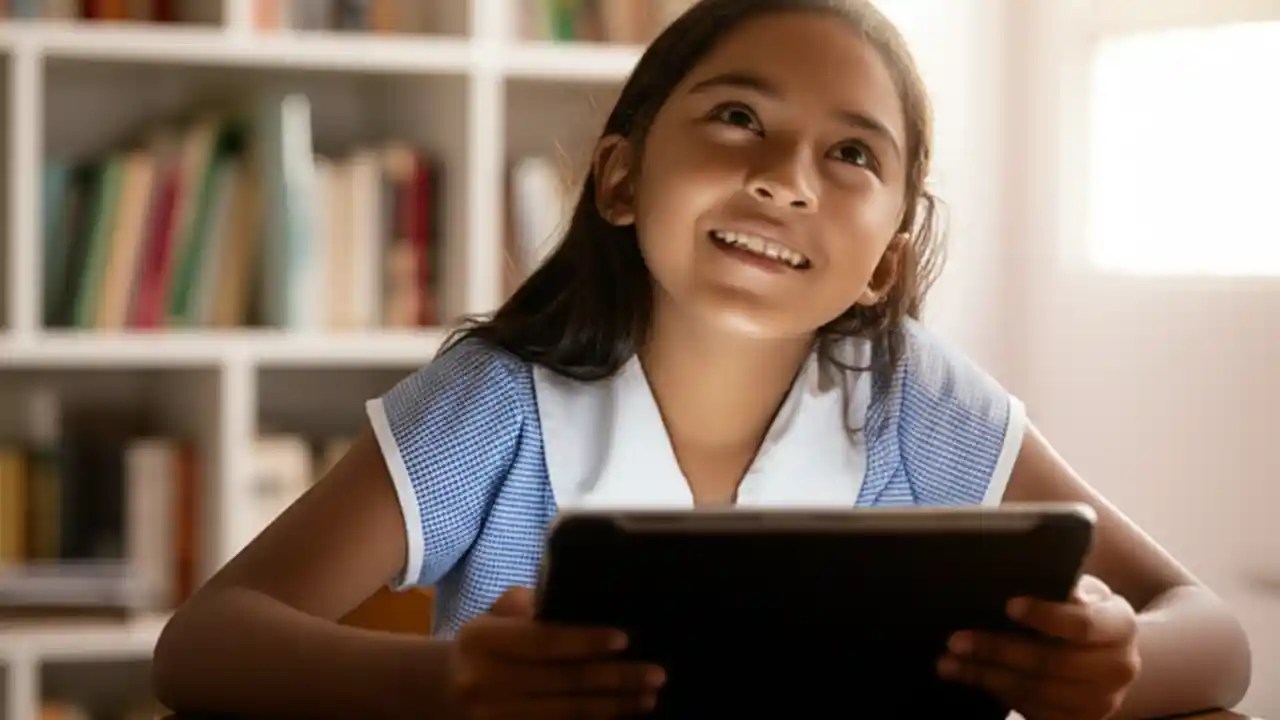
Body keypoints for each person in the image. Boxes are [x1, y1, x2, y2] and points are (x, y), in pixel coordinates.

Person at [152, 0, 1252, 717]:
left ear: (886, 257)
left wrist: (1119, 666)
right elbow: (204, 647)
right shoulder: (497, 406)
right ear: (620, 181)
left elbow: (1212, 636)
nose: (785, 177)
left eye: (850, 154)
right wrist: (449, 684)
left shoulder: (919, 404)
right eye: (736, 116)